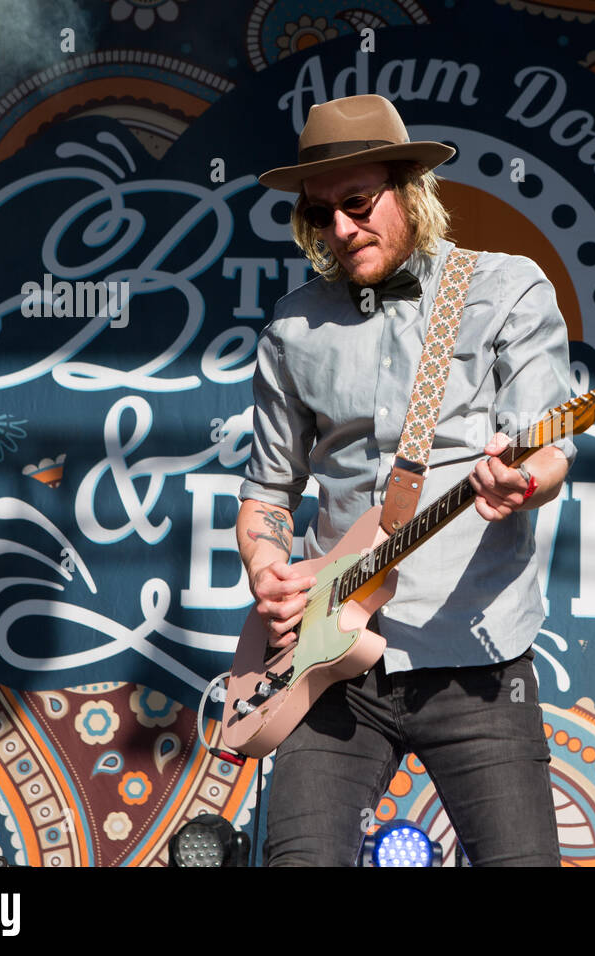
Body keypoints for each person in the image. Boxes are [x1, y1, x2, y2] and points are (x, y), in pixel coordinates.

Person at [235, 94, 575, 866]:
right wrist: (267, 569)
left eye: (358, 202)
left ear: (410, 192)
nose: (342, 229)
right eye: (320, 215)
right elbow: (266, 491)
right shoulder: (292, 327)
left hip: (477, 665)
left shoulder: (505, 289)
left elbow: (549, 450)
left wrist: (520, 484)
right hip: (327, 662)